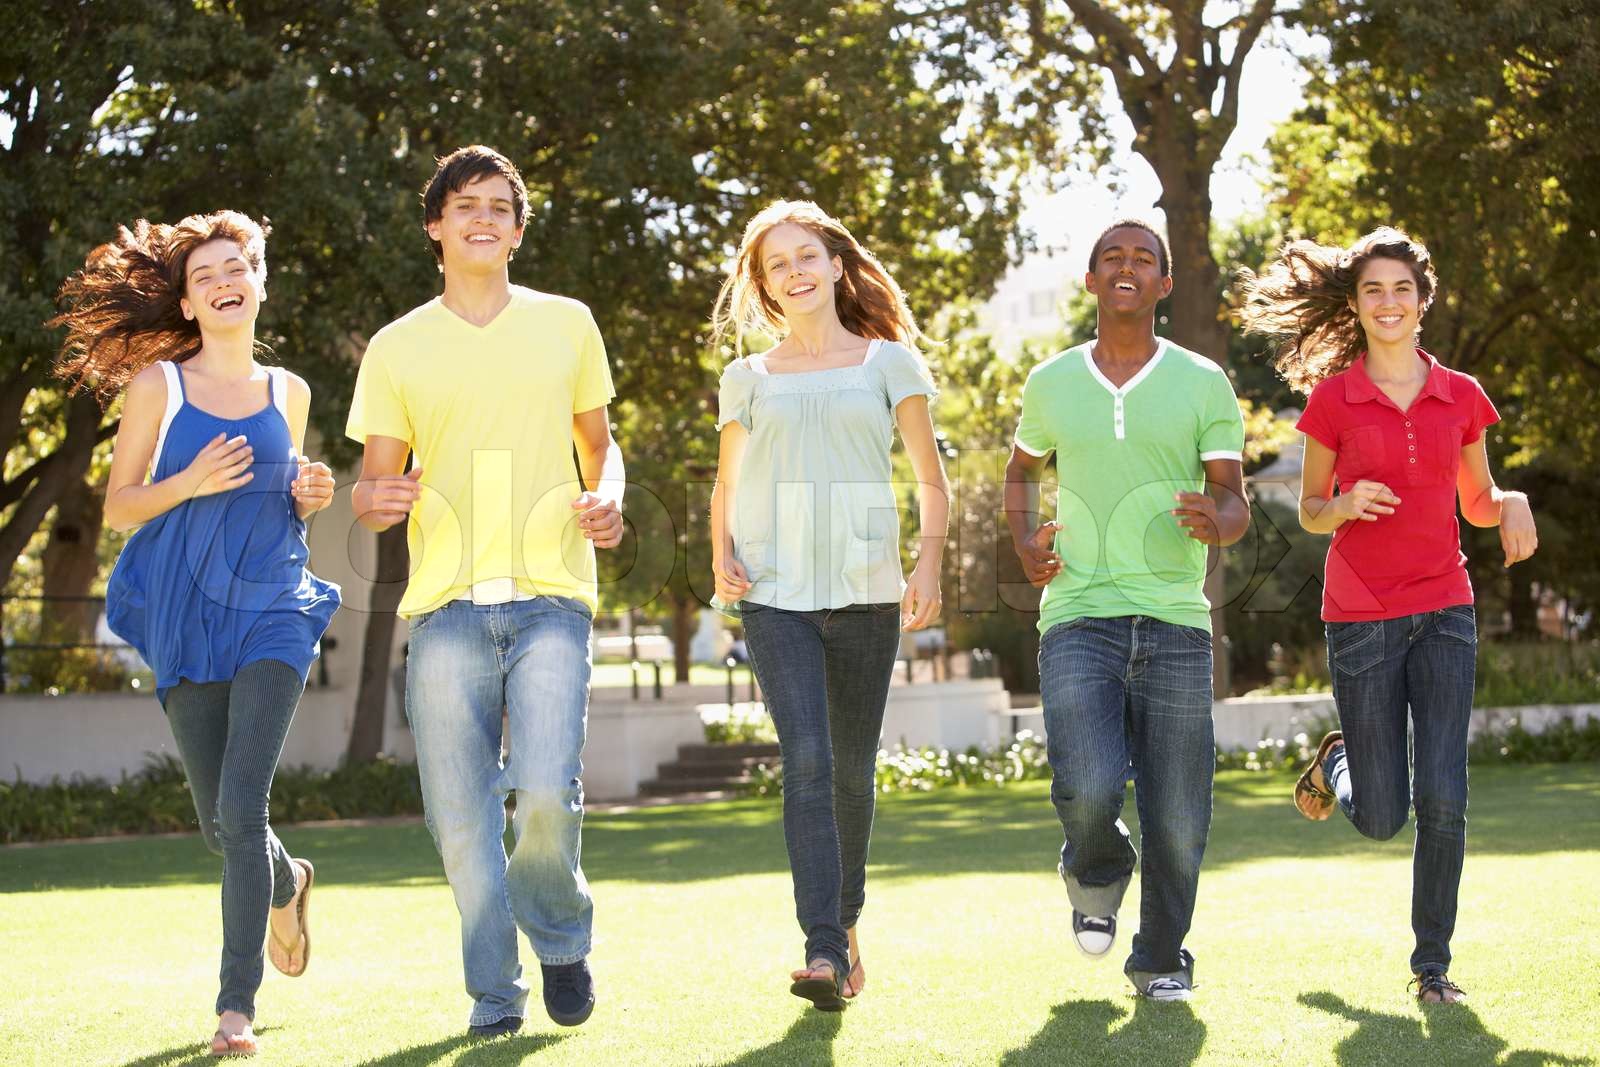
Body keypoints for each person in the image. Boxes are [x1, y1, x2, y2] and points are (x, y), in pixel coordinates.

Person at [346, 145, 624, 1036]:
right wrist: (374, 500)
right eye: (465, 204)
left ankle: (561, 937)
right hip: (445, 609)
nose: (483, 217)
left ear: (517, 230)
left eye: (501, 206)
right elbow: (372, 486)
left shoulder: (568, 323)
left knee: (544, 790)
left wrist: (610, 494)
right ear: (436, 225)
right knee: (461, 821)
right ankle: (494, 993)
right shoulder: (396, 346)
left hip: (551, 596)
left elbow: (600, 445)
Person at [52, 210, 340, 1057]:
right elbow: (119, 506)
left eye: (235, 268)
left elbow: (279, 500)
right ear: (186, 302)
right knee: (222, 826)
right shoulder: (160, 388)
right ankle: (287, 880)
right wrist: (189, 480)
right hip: (186, 610)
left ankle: (234, 1009)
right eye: (204, 275)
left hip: (273, 607)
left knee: (242, 808)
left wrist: (309, 495)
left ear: (258, 284)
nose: (222, 282)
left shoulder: (289, 391)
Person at [1239, 227, 1537, 1004]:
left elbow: (1477, 500)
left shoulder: (1461, 395)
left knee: (1444, 795)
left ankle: (1432, 966)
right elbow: (1310, 509)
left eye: (1402, 288)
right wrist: (1342, 504)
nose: (1388, 301)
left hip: (1444, 607)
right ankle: (1339, 761)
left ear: (1422, 299)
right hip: (1361, 615)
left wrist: (1511, 501)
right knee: (1380, 817)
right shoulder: (1333, 400)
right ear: (1356, 303)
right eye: (1373, 289)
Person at [709, 200, 949, 1011]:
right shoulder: (747, 378)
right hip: (773, 593)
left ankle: (844, 927)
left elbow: (931, 479)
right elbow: (726, 482)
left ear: (836, 266)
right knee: (806, 756)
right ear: (764, 284)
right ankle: (820, 946)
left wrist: (926, 565)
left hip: (866, 594)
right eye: (778, 264)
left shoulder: (889, 363)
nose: (796, 271)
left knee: (850, 768)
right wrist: (719, 551)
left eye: (807, 255)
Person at [1005, 219, 1250, 1003]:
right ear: (1091, 280)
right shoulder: (1051, 382)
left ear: (1163, 284)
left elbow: (1234, 500)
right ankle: (1097, 867)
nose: (1127, 265)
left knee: (1177, 813)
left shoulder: (1203, 381)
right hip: (1077, 611)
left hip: (1176, 619)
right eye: (1112, 255)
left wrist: (1219, 520)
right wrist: (1024, 540)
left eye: (1144, 258)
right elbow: (1019, 472)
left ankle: (1161, 958)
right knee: (1087, 784)